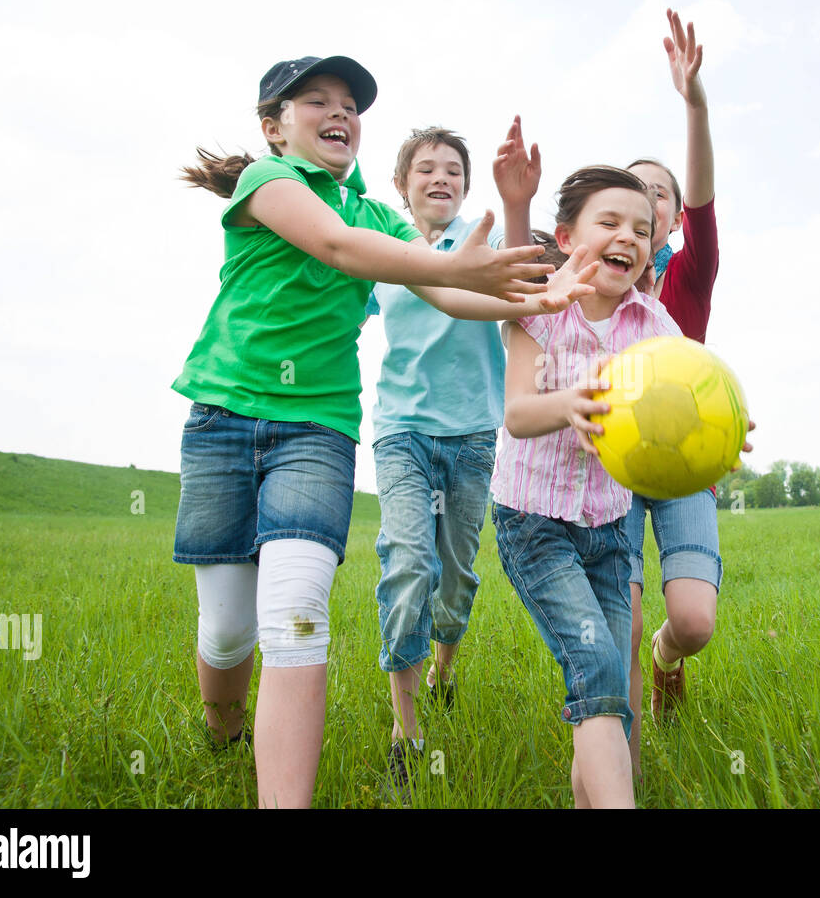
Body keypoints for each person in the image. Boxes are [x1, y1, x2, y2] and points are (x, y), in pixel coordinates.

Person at [172, 55, 586, 808]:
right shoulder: (269, 184)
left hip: (317, 428)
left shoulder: (376, 216)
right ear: (275, 129)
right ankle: (222, 730)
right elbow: (336, 247)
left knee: (297, 612)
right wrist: (454, 270)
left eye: (350, 104)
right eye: (318, 101)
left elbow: (441, 290)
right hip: (223, 420)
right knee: (228, 630)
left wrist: (540, 296)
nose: (340, 112)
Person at [492, 165, 678, 809]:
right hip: (534, 524)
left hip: (608, 531)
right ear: (568, 236)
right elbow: (517, 413)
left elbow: (684, 412)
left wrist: (715, 440)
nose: (629, 236)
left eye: (643, 229)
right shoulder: (537, 307)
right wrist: (570, 402)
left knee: (611, 697)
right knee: (597, 671)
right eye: (611, 222)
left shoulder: (654, 327)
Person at [367, 117, 544, 791]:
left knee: (455, 575)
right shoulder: (384, 248)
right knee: (408, 562)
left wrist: (518, 206)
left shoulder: (485, 236)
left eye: (452, 171)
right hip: (401, 432)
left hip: (472, 435)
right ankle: (405, 732)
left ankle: (443, 670)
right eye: (426, 169)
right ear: (401, 184)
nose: (441, 178)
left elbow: (522, 281)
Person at [624, 10, 730, 774]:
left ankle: (670, 658)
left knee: (691, 620)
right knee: (619, 624)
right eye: (633, 193)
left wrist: (693, 103)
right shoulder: (592, 284)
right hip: (615, 468)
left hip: (687, 462)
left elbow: (700, 199)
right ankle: (620, 765)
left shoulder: (689, 273)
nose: (652, 203)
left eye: (659, 195)